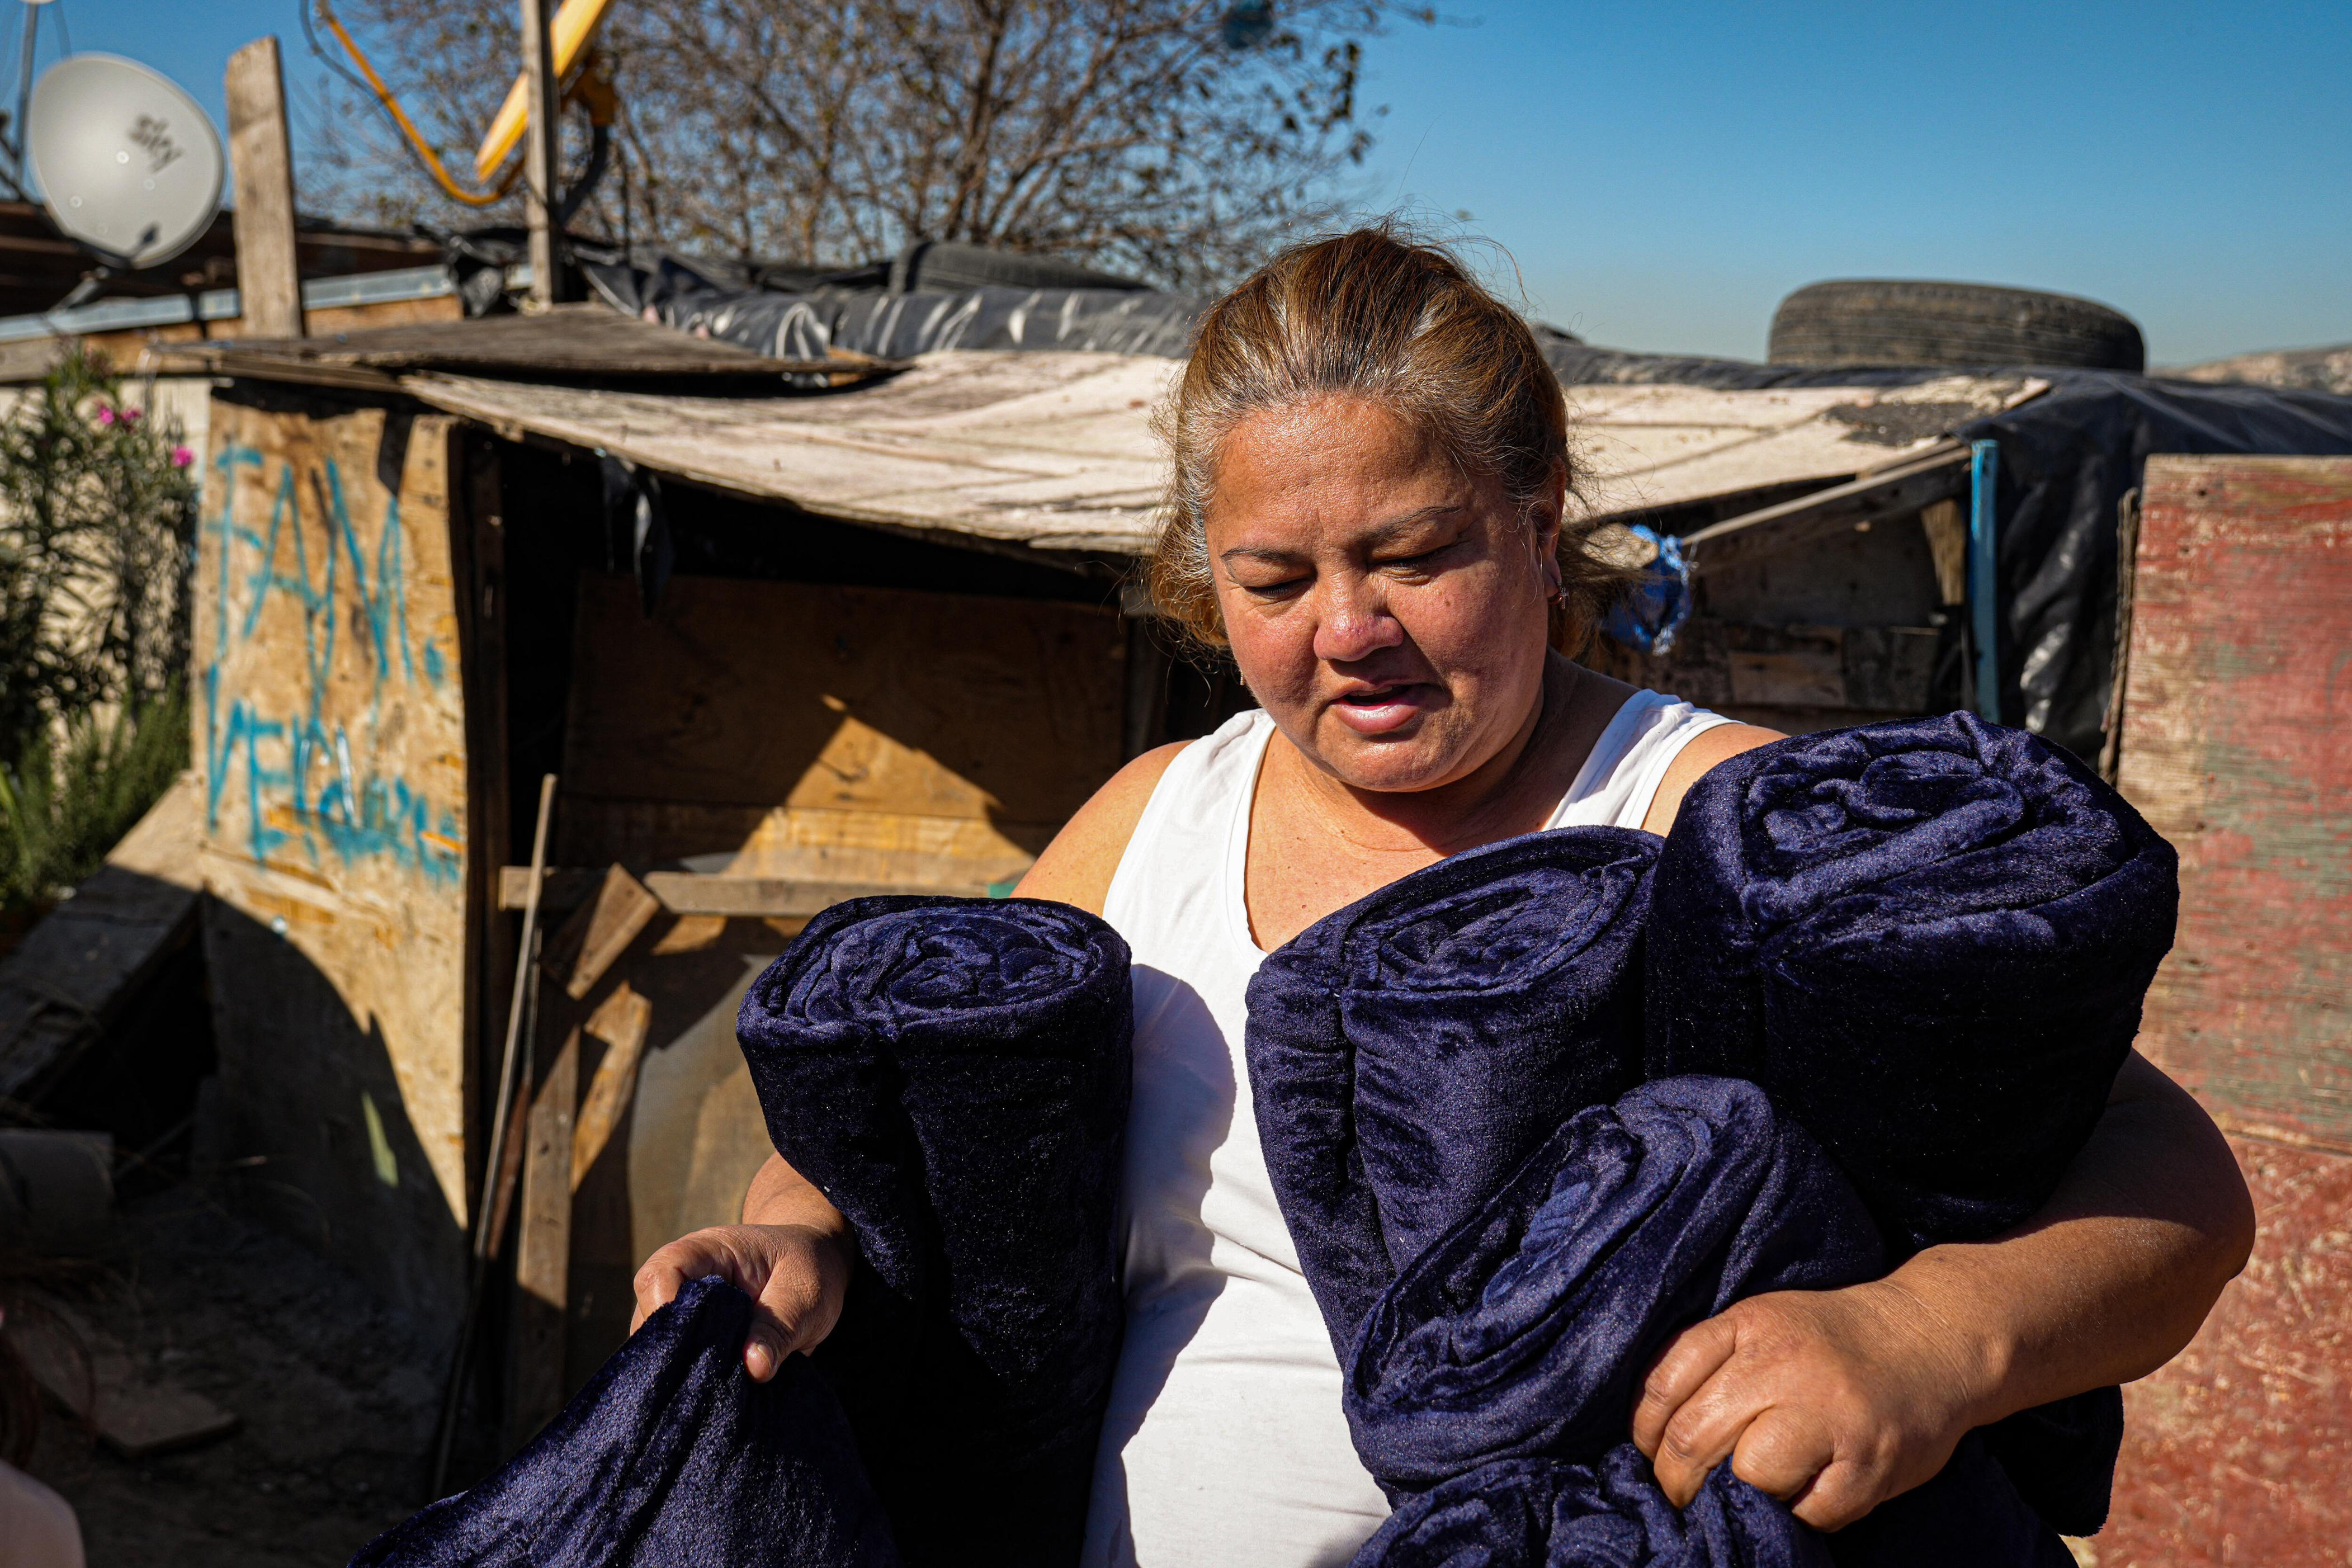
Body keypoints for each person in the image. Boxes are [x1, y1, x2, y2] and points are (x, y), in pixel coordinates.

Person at [632, 228, 2255, 1566]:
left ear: (1542, 525)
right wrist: (792, 1240)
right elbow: (877, 1131)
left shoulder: (1723, 829)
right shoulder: (1152, 821)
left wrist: (1927, 1339)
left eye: (1415, 554)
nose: (1347, 628)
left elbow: (2177, 1177)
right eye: (1274, 580)